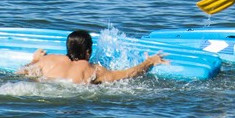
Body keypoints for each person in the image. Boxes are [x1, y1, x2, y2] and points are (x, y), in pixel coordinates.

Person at [18, 30, 168, 84]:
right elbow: (128, 74)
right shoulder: (94, 70)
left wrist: (35, 59)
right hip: (74, 92)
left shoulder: (48, 60)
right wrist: (149, 61)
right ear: (88, 52)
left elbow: (22, 71)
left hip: (46, 88)